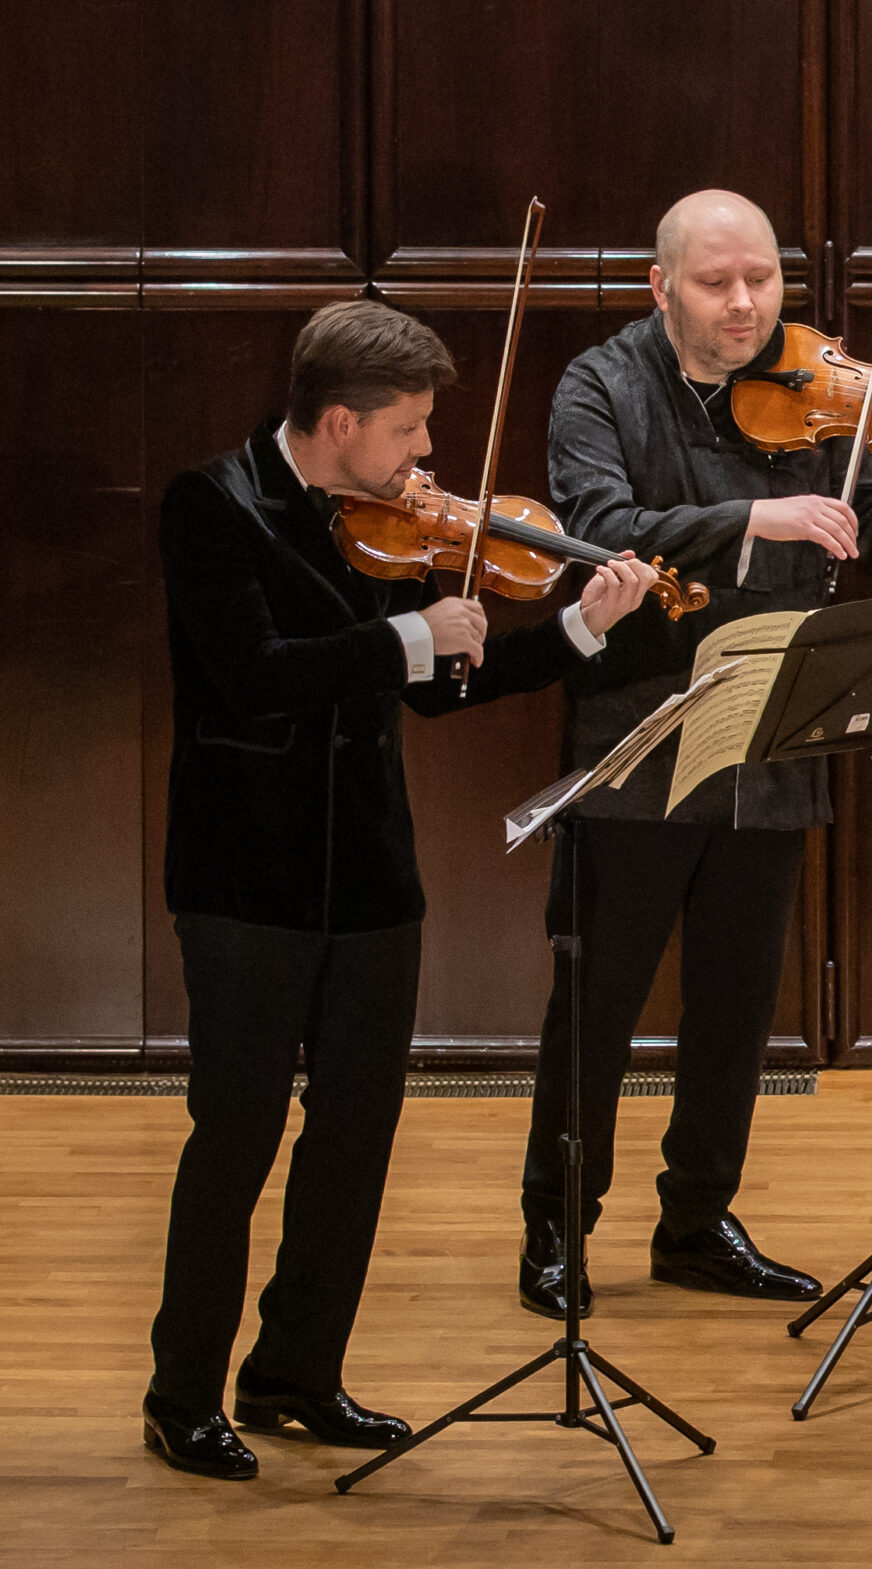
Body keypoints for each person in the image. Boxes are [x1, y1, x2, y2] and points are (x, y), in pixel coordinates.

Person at [147, 300, 657, 1479]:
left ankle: (295, 1375)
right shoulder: (211, 507)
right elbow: (251, 680)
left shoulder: (384, 526)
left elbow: (440, 682)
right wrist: (408, 640)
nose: (429, 463)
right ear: (339, 421)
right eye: (413, 434)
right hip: (244, 881)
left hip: (373, 879)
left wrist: (576, 629)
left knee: (356, 1137)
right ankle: (183, 1394)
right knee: (234, 1137)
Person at [518, 189, 872, 1316]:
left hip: (776, 734)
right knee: (597, 1004)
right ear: (662, 287)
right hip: (642, 735)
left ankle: (698, 1222)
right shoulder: (599, 386)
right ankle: (555, 1232)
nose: (748, 303)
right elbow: (595, 528)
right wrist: (755, 523)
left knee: (736, 1006)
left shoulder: (822, 396)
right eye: (717, 284)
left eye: (762, 278)